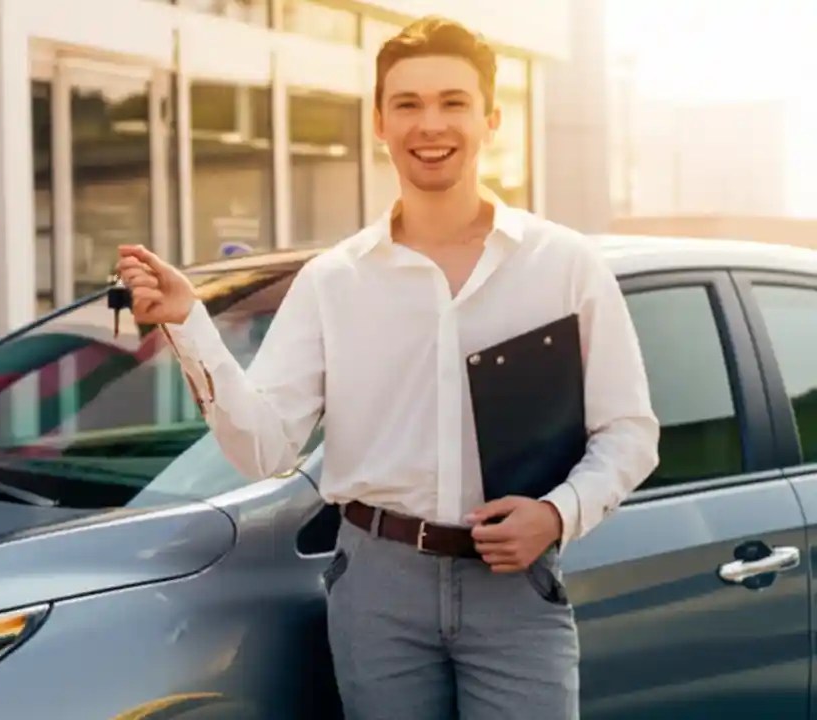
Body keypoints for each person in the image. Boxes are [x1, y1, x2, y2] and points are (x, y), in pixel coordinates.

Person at [115, 15, 659, 720]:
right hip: (377, 591)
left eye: (452, 102)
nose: (429, 124)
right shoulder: (333, 281)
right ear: (379, 122)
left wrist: (556, 515)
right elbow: (262, 448)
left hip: (514, 587)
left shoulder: (564, 266)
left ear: (491, 119)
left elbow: (630, 432)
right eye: (407, 104)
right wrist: (190, 323)